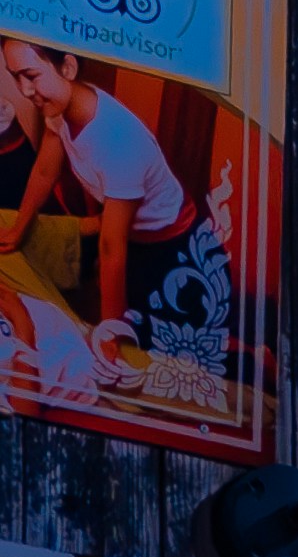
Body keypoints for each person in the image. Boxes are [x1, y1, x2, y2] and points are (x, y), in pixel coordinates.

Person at [1, 46, 185, 343]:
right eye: (15, 77)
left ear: (68, 68)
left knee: (162, 342)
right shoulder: (59, 108)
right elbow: (44, 172)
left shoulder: (116, 142)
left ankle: (254, 355)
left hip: (169, 244)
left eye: (31, 76)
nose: (24, 90)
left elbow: (112, 248)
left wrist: (111, 333)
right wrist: (19, 227)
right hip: (128, 233)